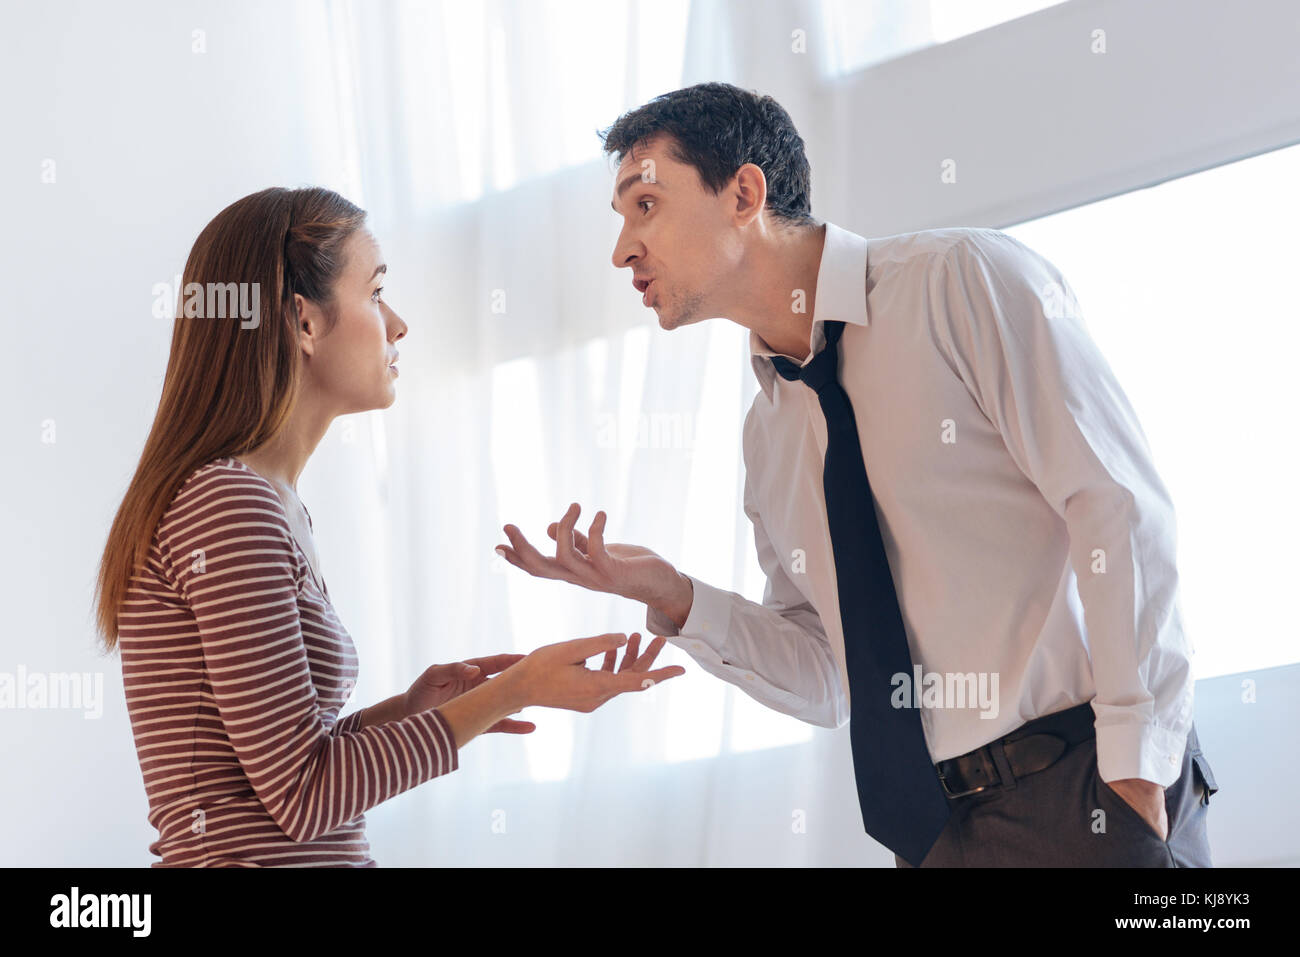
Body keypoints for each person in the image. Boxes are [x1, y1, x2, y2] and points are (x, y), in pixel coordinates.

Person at [495, 82, 1218, 867]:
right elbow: (828, 676)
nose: (622, 249)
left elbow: (1116, 504)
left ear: (744, 192)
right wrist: (674, 595)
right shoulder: (768, 434)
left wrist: (1136, 772)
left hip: (1086, 793)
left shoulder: (961, 282)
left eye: (645, 205)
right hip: (939, 834)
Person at [95, 186, 683, 867]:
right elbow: (304, 796)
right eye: (375, 293)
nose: (397, 324)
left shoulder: (263, 502)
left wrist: (409, 708)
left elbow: (279, 775)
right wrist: (511, 692)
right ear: (303, 321)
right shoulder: (229, 505)